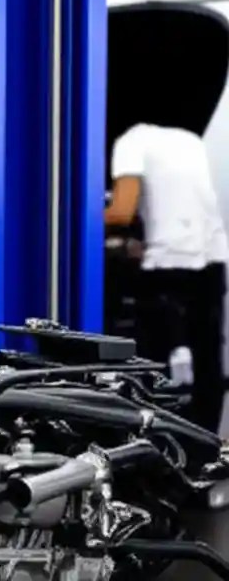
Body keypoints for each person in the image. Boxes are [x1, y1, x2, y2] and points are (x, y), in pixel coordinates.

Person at [105, 118, 228, 434]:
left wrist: (83, 213)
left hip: (167, 262)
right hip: (213, 257)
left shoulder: (131, 142)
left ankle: (158, 438)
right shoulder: (188, 138)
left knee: (153, 358)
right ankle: (205, 441)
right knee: (207, 358)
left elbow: (121, 210)